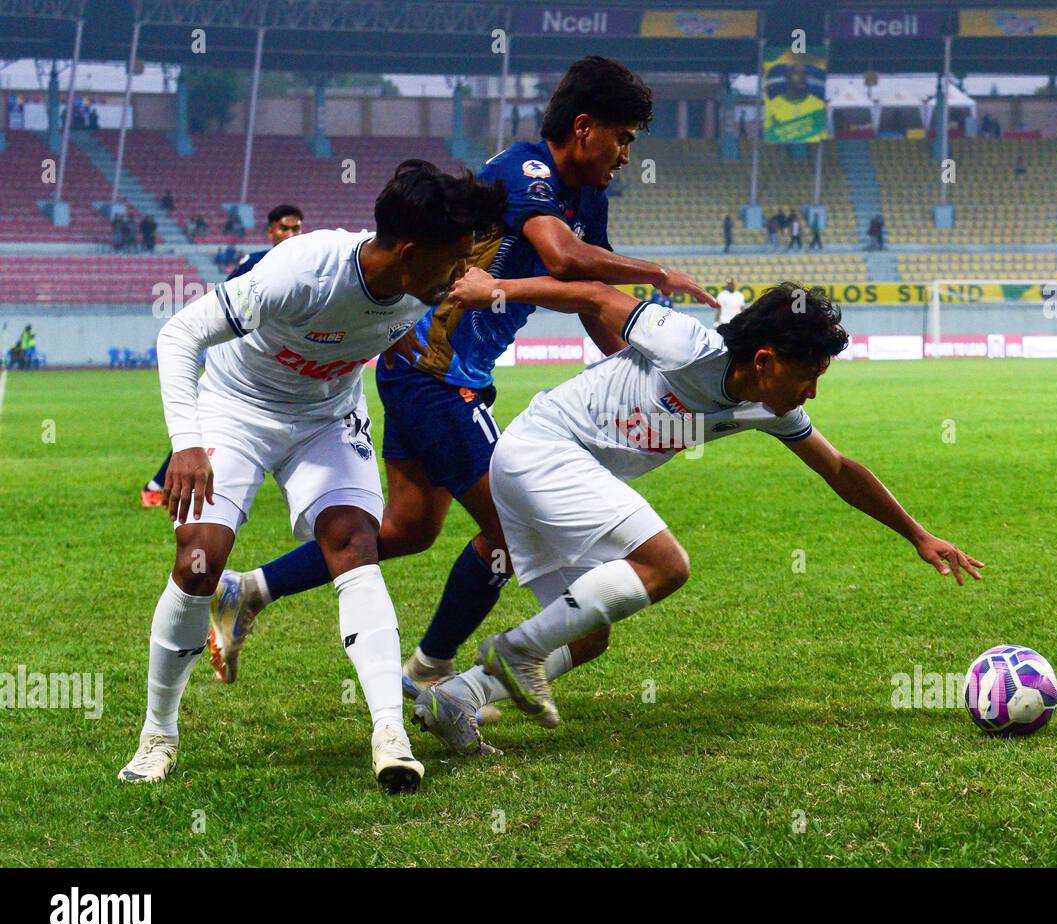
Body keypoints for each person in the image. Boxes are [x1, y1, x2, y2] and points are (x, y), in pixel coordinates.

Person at [203, 57, 716, 710]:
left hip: (435, 374)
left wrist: (638, 372)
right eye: (624, 136)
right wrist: (656, 272)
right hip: (435, 374)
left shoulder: (586, 198)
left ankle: (247, 591)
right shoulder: (528, 170)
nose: (625, 153)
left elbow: (592, 299)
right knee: (508, 530)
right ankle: (428, 668)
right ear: (584, 128)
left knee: (409, 527)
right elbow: (563, 259)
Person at [412, 271, 984, 753]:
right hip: (548, 448)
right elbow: (594, 296)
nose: (811, 393)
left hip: (541, 471)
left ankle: (455, 698)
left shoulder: (766, 406)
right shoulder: (689, 345)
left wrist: (917, 534)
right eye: (808, 376)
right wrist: (497, 287)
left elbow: (838, 469)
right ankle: (515, 650)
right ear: (765, 360)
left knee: (587, 637)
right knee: (666, 565)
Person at [115, 160, 505, 792]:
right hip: (237, 408)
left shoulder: (421, 287)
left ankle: (390, 736)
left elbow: (384, 328)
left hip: (326, 415)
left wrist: (405, 346)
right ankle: (158, 734)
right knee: (198, 562)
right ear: (409, 252)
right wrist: (185, 446)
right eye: (456, 259)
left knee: (356, 542)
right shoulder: (302, 270)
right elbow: (180, 332)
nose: (466, 273)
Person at [144, 206, 307, 508]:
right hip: (237, 363)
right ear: (270, 231)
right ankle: (159, 484)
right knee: (201, 422)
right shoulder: (256, 264)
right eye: (285, 228)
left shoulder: (308, 264)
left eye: (297, 228)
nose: (292, 234)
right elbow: (225, 305)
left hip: (272, 366)